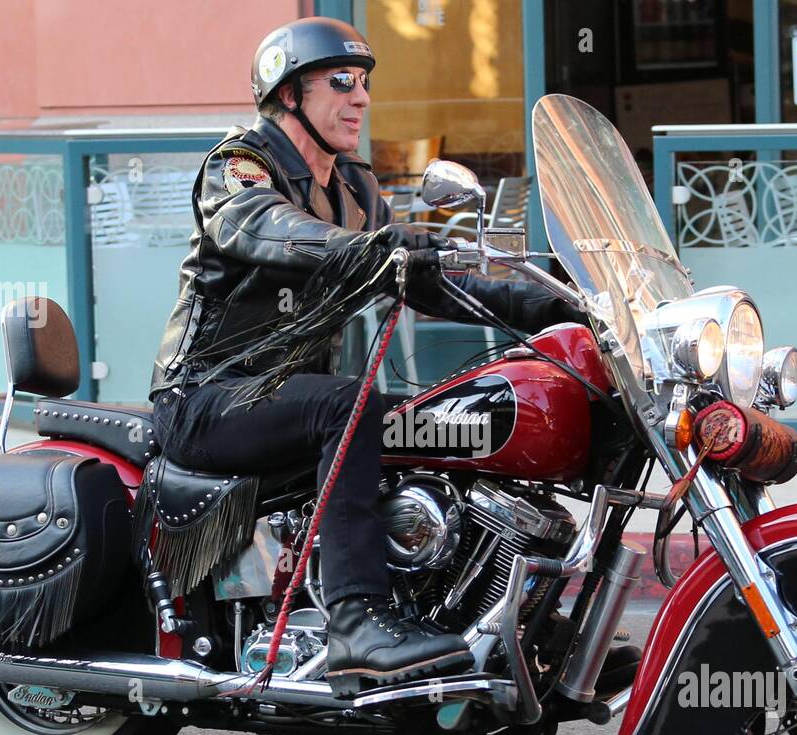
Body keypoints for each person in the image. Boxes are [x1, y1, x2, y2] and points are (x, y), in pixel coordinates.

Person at [148, 17, 584, 697]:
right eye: (342, 82)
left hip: (286, 399)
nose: (362, 98)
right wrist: (377, 249)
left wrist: (548, 305)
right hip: (207, 396)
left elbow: (423, 281)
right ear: (290, 94)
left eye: (366, 84)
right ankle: (356, 622)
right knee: (349, 401)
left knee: (421, 423)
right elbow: (266, 228)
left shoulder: (352, 186)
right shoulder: (240, 166)